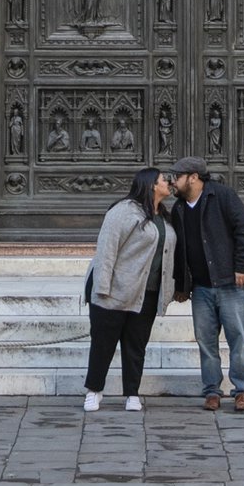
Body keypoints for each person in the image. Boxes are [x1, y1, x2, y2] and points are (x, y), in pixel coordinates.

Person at [83, 168, 180, 415]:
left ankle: (132, 394)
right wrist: (102, 288)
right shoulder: (124, 211)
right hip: (114, 291)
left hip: (147, 293)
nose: (168, 183)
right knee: (103, 344)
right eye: (163, 180)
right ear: (150, 185)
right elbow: (106, 249)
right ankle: (94, 391)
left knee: (136, 345)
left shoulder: (164, 216)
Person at [170, 158, 244, 411]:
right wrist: (182, 285)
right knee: (205, 341)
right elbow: (180, 250)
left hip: (231, 284)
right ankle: (212, 391)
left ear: (193, 177)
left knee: (238, 339)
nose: (172, 181)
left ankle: (241, 391)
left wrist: (242, 266)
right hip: (202, 289)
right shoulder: (179, 208)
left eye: (176, 176)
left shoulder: (222, 196)